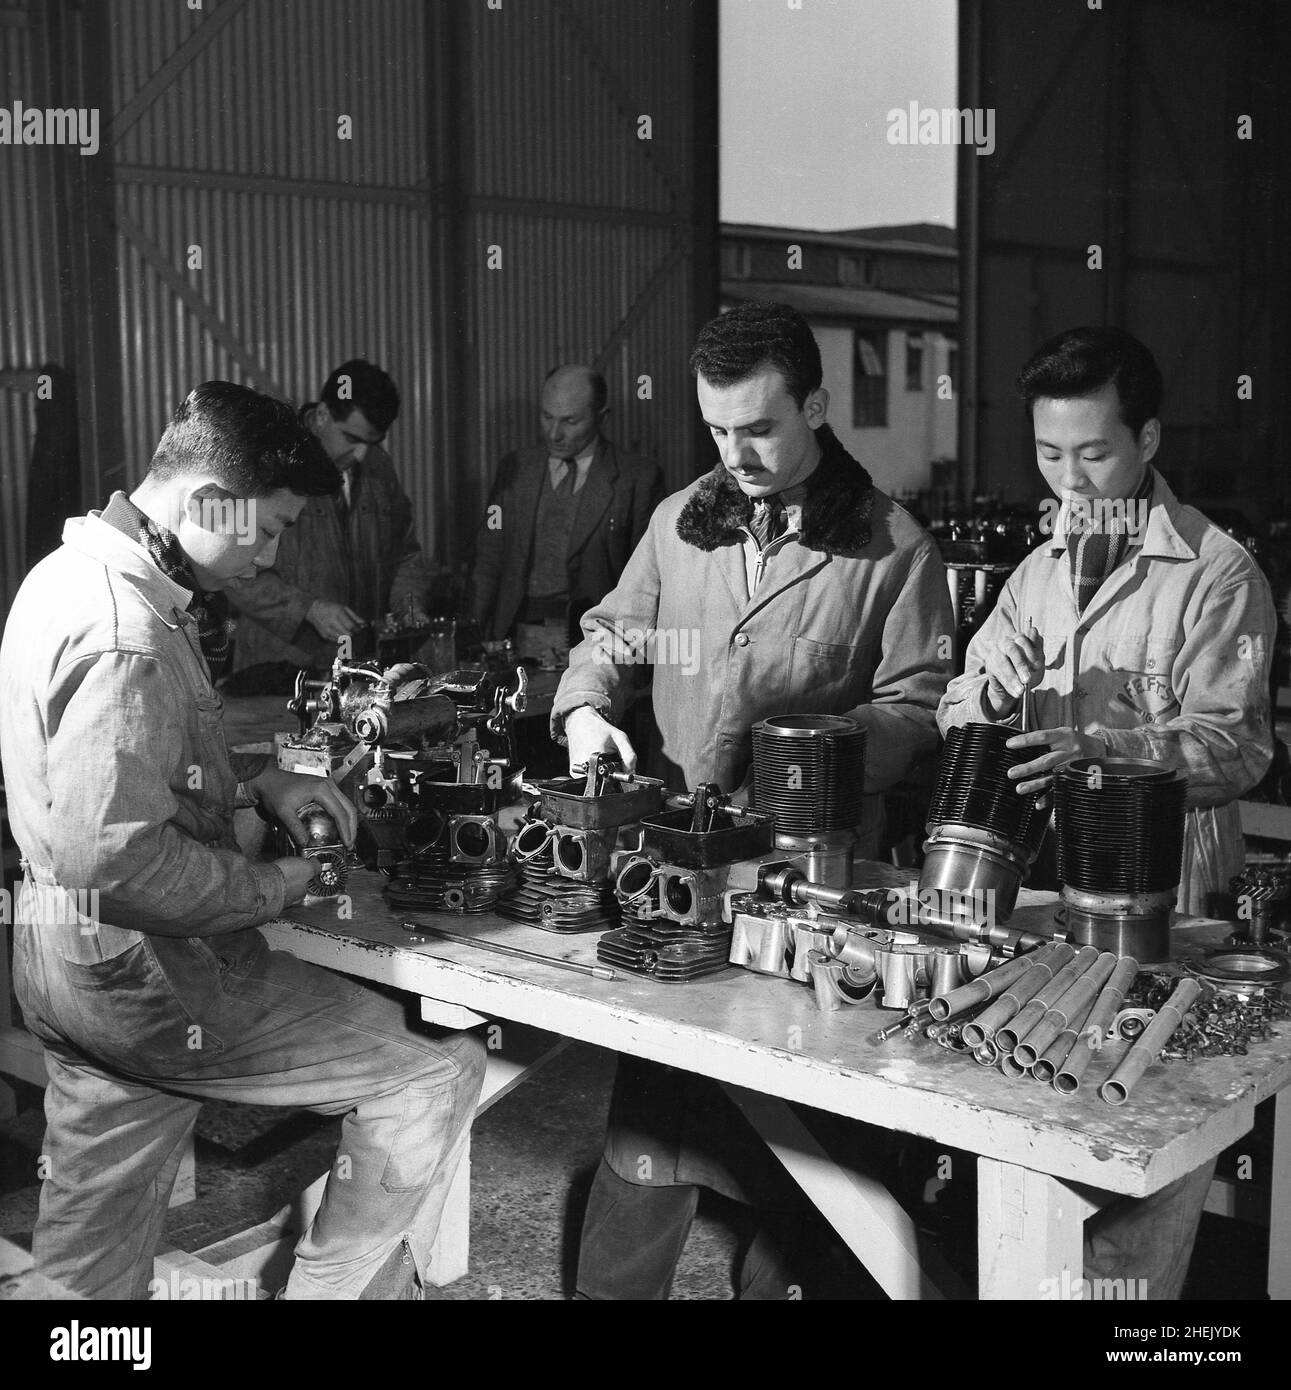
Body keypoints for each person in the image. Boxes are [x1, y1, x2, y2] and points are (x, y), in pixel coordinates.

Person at [0, 382, 486, 1299]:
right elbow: (117, 860)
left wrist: (255, 776)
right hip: (149, 977)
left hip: (56, 965)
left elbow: (114, 765)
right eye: (263, 530)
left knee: (91, 1250)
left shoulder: (65, 578)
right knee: (433, 1075)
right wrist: (287, 880)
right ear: (197, 500)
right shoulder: (127, 632)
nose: (266, 556)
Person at [550, 301, 955, 1299]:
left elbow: (921, 705)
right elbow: (615, 632)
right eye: (719, 430)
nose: (737, 453)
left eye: (761, 427)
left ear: (815, 403)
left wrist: (820, 753)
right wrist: (583, 710)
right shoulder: (678, 524)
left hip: (809, 889)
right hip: (680, 872)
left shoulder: (892, 549)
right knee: (650, 1122)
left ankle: (792, 1263)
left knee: (809, 1139)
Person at [939, 325, 1275, 1299]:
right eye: (1049, 456)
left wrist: (1106, 749)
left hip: (1176, 907)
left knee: (1140, 1174)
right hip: (1052, 895)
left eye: (1093, 453)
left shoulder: (1217, 573)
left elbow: (1237, 747)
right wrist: (981, 693)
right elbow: (961, 710)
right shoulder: (1036, 572)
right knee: (1036, 1136)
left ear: (1148, 440)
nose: (1070, 483)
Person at [225, 358, 431, 677]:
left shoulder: (378, 467)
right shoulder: (270, 461)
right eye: (352, 439)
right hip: (275, 673)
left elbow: (406, 554)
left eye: (372, 443)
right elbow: (232, 571)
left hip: (356, 669)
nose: (362, 454)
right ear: (322, 415)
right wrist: (308, 608)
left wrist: (411, 606)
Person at [469, 364, 663, 666]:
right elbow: (489, 557)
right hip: (515, 639)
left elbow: (646, 583)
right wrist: (475, 632)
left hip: (596, 646)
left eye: (570, 421)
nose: (555, 434)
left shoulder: (636, 479)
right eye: (547, 417)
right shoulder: (516, 468)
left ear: (602, 417)